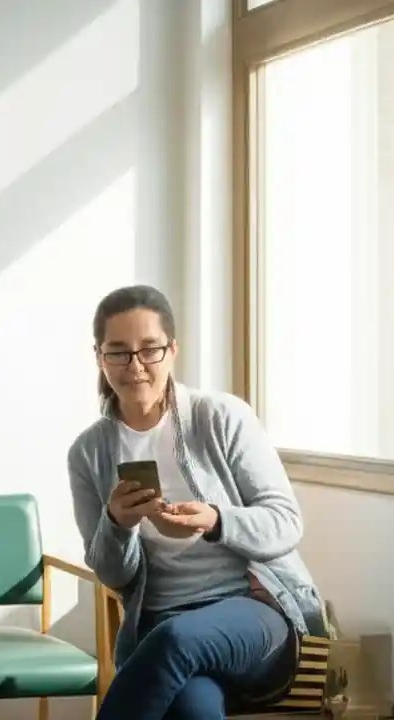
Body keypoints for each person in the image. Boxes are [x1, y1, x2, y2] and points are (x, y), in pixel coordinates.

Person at [67, 284, 328, 719]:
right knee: (193, 708)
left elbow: (286, 522)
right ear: (99, 357)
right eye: (118, 352)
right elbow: (112, 574)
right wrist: (116, 522)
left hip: (251, 612)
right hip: (160, 620)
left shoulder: (222, 417)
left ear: (172, 351)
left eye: (149, 349)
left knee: (176, 641)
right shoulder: (88, 453)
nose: (135, 366)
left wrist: (216, 519)